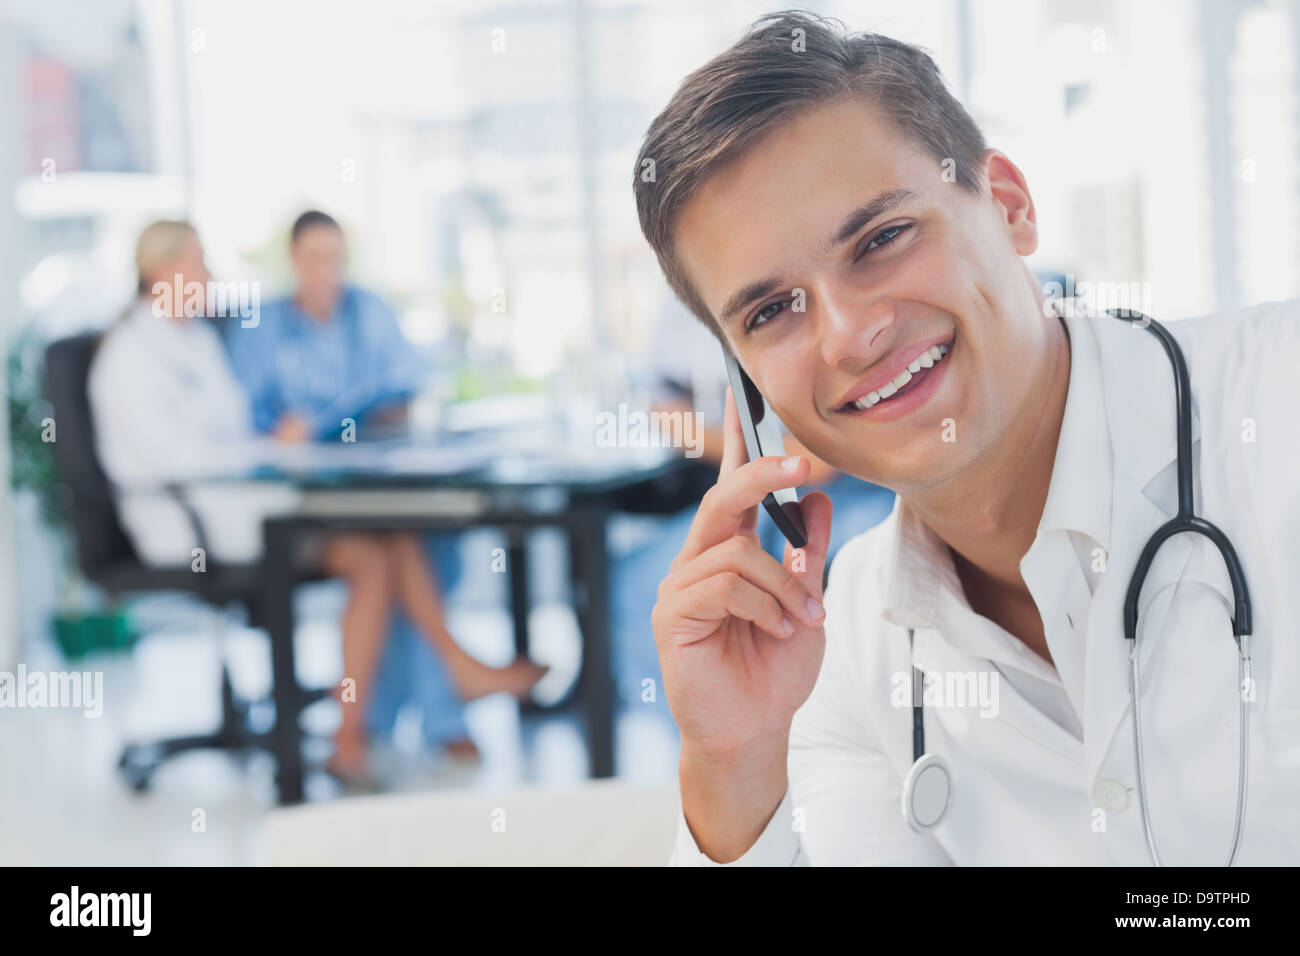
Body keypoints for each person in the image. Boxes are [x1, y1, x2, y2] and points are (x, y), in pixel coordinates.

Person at [634, 12, 1300, 865]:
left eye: (881, 239)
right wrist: (732, 768)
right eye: (771, 312)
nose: (848, 336)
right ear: (745, 387)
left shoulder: (1276, 412)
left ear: (1011, 207)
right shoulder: (841, 655)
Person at [90, 221, 541, 787]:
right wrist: (269, 450)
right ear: (163, 272)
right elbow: (183, 459)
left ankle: (366, 727)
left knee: (388, 540)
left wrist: (272, 448)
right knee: (376, 547)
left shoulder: (195, 338)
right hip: (192, 521)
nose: (208, 277)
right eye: (199, 264)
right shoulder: (131, 354)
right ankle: (394, 708)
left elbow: (232, 432)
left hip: (236, 498)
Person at [225, 210, 548, 763]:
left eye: (336, 258)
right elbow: (249, 419)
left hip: (376, 481)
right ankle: (446, 698)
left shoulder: (368, 310)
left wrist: (328, 416)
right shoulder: (261, 326)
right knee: (401, 551)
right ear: (294, 261)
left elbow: (402, 383)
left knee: (425, 548)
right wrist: (312, 421)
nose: (327, 271)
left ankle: (391, 715)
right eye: (315, 259)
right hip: (304, 499)